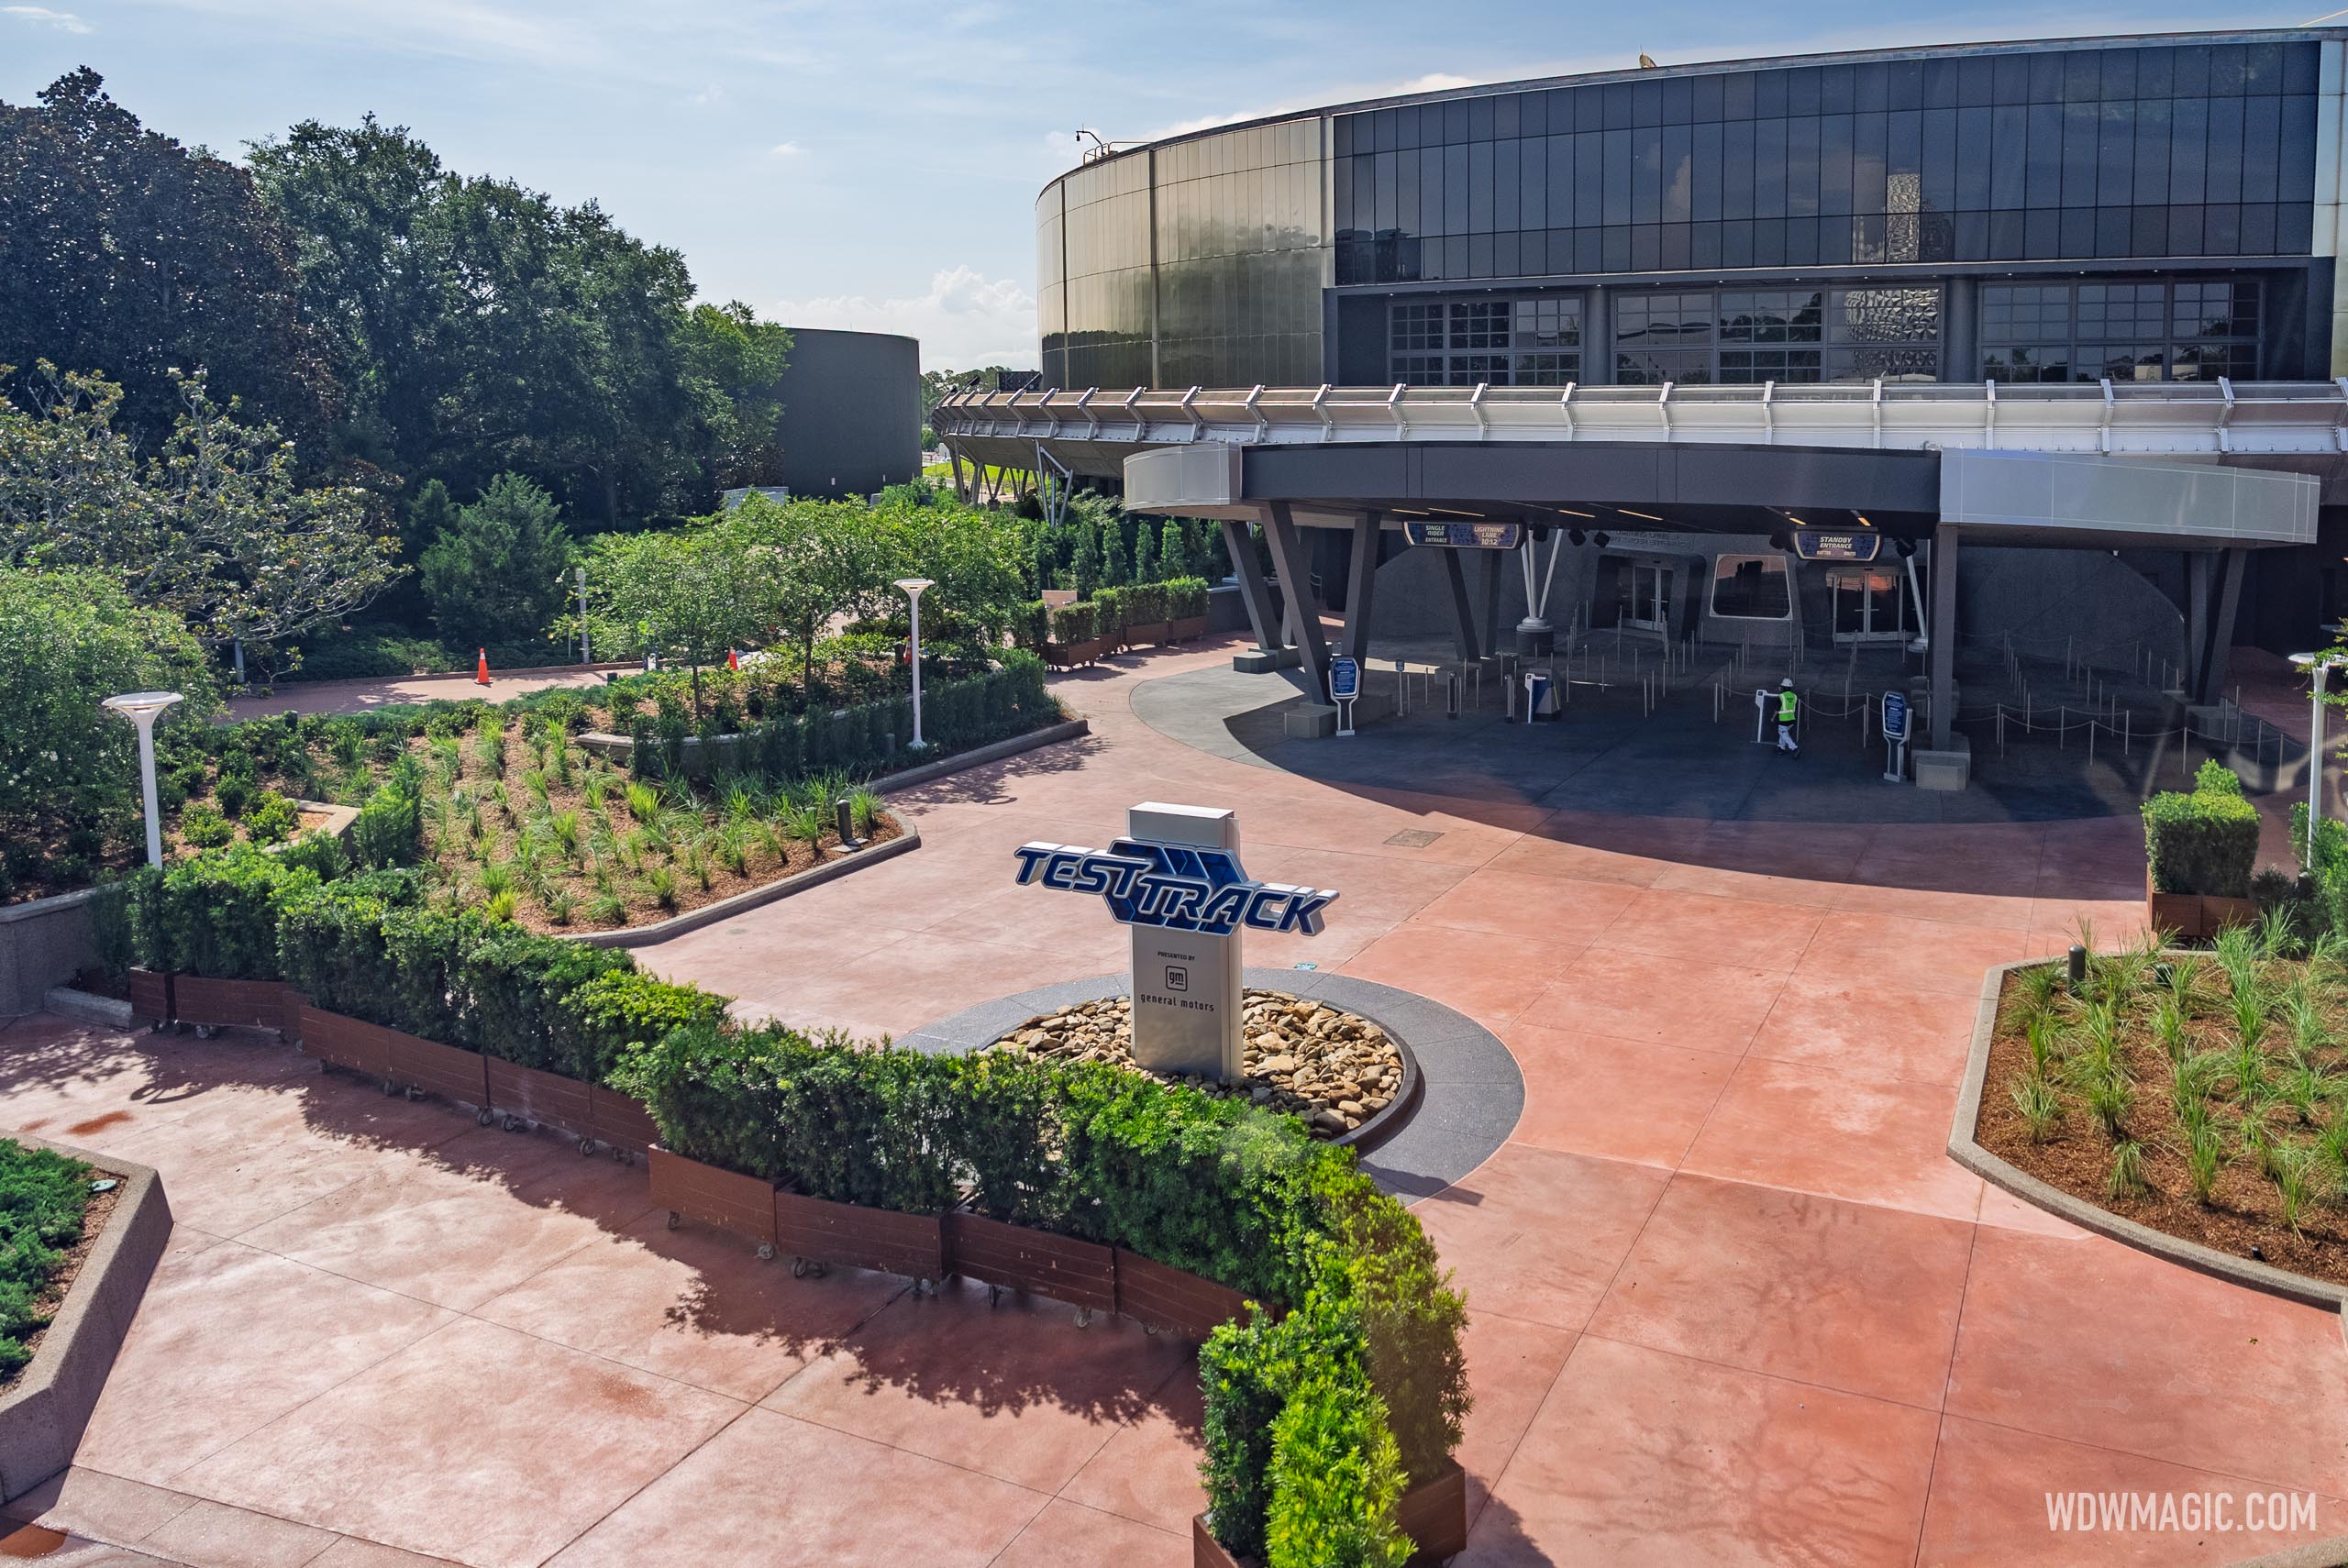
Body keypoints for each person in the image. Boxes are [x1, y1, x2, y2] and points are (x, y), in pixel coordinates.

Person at [1776, 678, 1800, 756]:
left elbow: (1777, 708)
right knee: (1783, 733)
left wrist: (1773, 717)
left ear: (1784, 687)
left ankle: (1794, 748)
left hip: (1783, 719)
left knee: (1783, 733)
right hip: (1792, 719)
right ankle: (1781, 748)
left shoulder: (1781, 696)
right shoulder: (1794, 696)